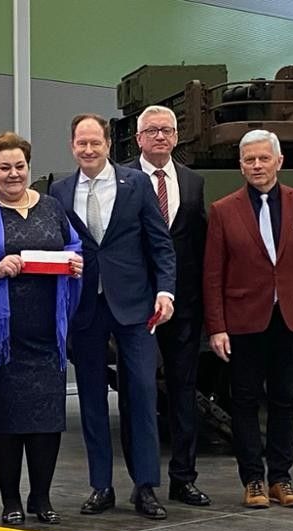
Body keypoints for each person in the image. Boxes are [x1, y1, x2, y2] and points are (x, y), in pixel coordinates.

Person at [48, 114, 177, 520]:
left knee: (140, 394)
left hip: (135, 305)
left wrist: (165, 290)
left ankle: (145, 487)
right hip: (86, 307)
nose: (88, 150)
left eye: (95, 143)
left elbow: (161, 244)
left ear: (108, 144)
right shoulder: (59, 191)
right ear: (72, 145)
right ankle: (100, 485)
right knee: (90, 399)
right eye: (81, 143)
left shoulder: (136, 184)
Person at [203, 129, 293, 509]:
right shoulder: (223, 211)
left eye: (263, 158)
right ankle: (253, 480)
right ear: (240, 165)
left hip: (290, 318)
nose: (256, 165)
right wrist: (217, 327)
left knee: (285, 399)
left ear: (279, 161)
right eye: (249, 160)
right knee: (243, 401)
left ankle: (281, 478)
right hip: (243, 321)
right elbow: (213, 274)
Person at [0, 132, 83, 526]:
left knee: (47, 419)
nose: (14, 174)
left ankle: (42, 498)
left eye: (20, 166)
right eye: (4, 168)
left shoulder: (51, 207)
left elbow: (73, 246)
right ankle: (10, 499)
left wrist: (73, 262)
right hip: (0, 337)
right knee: (3, 420)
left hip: (47, 332)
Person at [120, 105, 211, 507]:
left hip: (184, 304)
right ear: (138, 138)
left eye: (167, 130)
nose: (160, 137)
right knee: (136, 391)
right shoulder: (119, 178)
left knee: (183, 389)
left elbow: (198, 243)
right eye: (151, 130)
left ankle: (183, 477)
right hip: (133, 301)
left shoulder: (193, 183)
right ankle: (142, 482)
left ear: (177, 137)